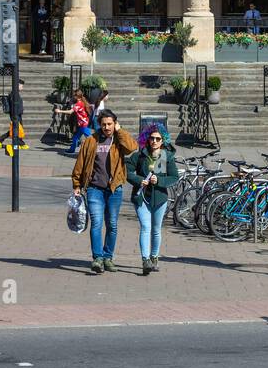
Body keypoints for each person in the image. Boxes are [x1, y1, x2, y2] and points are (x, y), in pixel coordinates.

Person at [70, 109, 138, 274]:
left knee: (112, 225)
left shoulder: (118, 139)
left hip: (114, 189)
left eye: (110, 124)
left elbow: (132, 147)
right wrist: (76, 185)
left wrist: (120, 131)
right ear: (99, 125)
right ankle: (98, 258)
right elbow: (81, 162)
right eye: (104, 124)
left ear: (115, 124)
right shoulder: (91, 141)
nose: (107, 127)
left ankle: (108, 257)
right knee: (97, 223)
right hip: (95, 189)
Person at [126, 126, 179, 274]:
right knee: (145, 227)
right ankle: (145, 260)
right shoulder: (140, 155)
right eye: (152, 138)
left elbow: (174, 177)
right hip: (142, 197)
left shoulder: (165, 156)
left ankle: (154, 257)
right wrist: (138, 180)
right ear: (147, 139)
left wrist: (159, 181)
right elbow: (126, 170)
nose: (154, 141)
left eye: (158, 139)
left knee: (156, 230)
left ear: (163, 141)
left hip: (159, 199)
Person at [56, 88, 91, 156]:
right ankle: (71, 150)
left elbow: (70, 112)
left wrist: (60, 111)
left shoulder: (78, 104)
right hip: (82, 124)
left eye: (73, 95)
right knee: (75, 138)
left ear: (76, 96)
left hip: (83, 124)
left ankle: (97, 149)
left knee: (90, 138)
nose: (73, 97)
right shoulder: (82, 101)